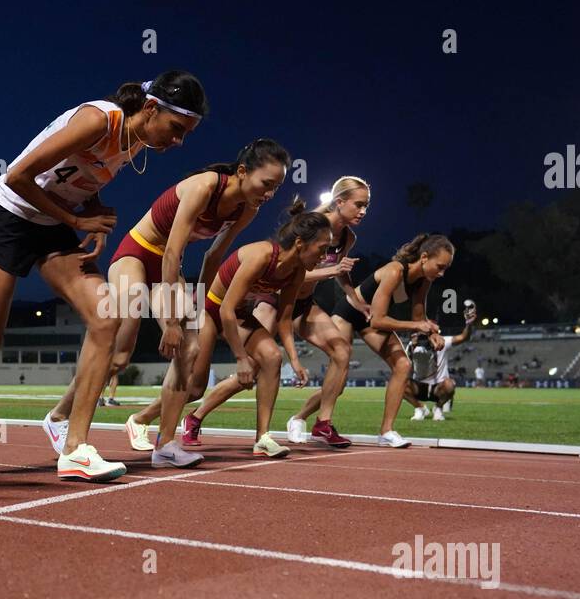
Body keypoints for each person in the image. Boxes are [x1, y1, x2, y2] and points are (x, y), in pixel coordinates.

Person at [0, 71, 207, 482]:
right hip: (9, 218)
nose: (178, 141)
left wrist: (90, 216)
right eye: (177, 128)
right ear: (150, 109)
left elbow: (82, 179)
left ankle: (75, 448)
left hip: (52, 225)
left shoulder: (133, 145)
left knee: (105, 316)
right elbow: (18, 176)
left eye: (186, 135)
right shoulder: (100, 120)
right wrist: (76, 219)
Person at [54, 140, 288, 453]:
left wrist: (203, 306)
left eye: (277, 187)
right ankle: (58, 416)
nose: (270, 194)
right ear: (243, 172)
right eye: (267, 184)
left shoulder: (247, 208)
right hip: (137, 254)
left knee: (189, 350)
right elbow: (173, 251)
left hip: (167, 266)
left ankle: (165, 446)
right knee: (120, 352)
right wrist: (172, 321)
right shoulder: (204, 187)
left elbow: (213, 256)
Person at [182, 177, 371, 449]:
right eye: (359, 205)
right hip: (273, 297)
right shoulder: (313, 223)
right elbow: (289, 264)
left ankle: (322, 424)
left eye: (366, 206)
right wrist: (330, 271)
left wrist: (354, 298)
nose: (363, 211)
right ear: (340, 201)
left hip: (302, 304)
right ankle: (196, 416)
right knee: (257, 365)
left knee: (342, 350)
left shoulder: (346, 238)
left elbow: (340, 273)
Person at [159, 210, 333, 464]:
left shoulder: (295, 272)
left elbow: (285, 319)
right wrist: (241, 358)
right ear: (299, 243)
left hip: (237, 314)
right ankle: (144, 419)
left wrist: (294, 360)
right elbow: (225, 309)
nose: (325, 256)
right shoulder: (261, 255)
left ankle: (263, 439)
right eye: (322, 248)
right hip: (209, 309)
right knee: (195, 388)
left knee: (272, 357)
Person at [329, 233, 455, 447]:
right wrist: (418, 326)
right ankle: (300, 418)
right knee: (338, 382)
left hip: (369, 319)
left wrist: (432, 333)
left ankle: (386, 431)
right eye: (440, 266)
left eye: (445, 269)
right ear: (424, 257)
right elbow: (379, 320)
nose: (442, 273)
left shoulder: (425, 280)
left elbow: (418, 316)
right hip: (348, 314)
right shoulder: (395, 270)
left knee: (403, 365)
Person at [408, 303, 477, 421]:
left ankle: (438, 408)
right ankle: (420, 408)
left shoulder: (443, 341)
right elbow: (406, 368)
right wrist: (412, 349)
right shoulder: (412, 345)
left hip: (438, 387)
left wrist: (469, 324)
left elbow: (463, 337)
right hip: (419, 386)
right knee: (399, 383)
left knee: (450, 384)